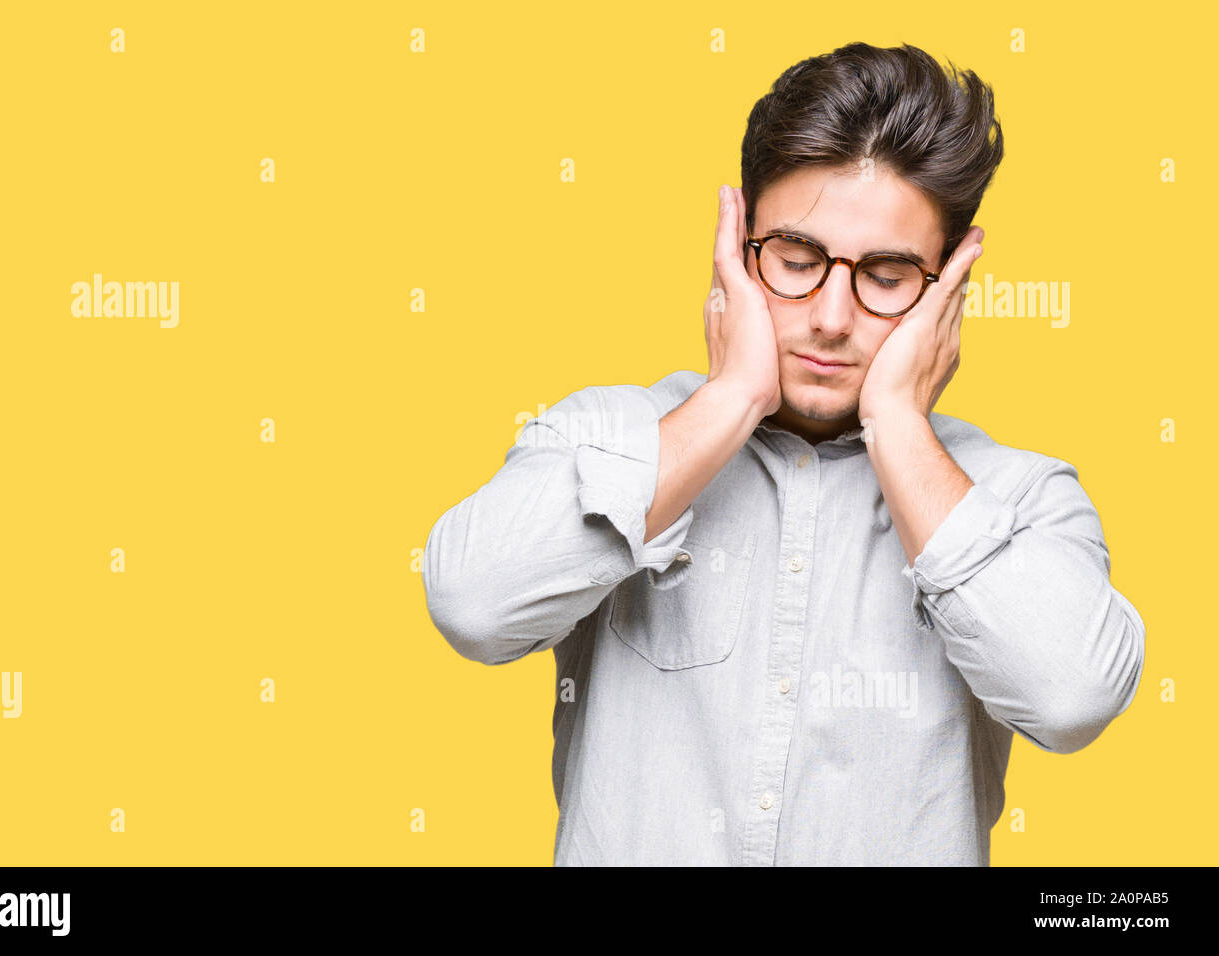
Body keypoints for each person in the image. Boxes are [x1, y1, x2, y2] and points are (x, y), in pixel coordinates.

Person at [422, 41, 1146, 865]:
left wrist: (899, 426)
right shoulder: (608, 438)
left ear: (949, 287)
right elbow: (473, 605)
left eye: (886, 275)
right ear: (739, 250)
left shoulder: (1020, 497)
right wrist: (732, 398)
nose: (832, 316)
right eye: (797, 261)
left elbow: (1072, 696)